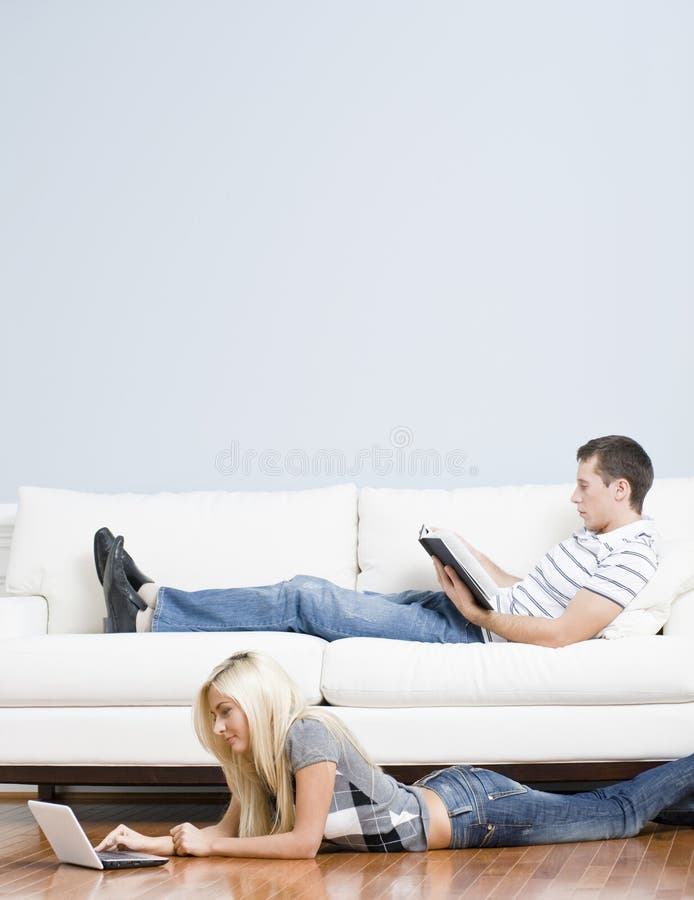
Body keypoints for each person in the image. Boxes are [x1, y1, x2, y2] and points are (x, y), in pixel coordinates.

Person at [95, 650, 694, 857]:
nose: (221, 727)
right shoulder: (262, 765)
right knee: (618, 815)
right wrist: (149, 844)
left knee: (617, 814)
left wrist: (207, 846)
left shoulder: (307, 735)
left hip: (473, 813)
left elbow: (302, 846)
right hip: (451, 800)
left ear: (258, 700)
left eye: (227, 711)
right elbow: (224, 831)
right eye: (215, 716)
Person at [98, 435, 659, 646]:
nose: (574, 497)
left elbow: (563, 632)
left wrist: (479, 615)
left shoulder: (632, 552)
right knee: (311, 598)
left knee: (305, 597)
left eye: (583, 486)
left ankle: (150, 609)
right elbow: (532, 592)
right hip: (470, 612)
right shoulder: (594, 537)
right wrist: (476, 563)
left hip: (475, 633)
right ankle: (149, 602)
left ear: (620, 487)